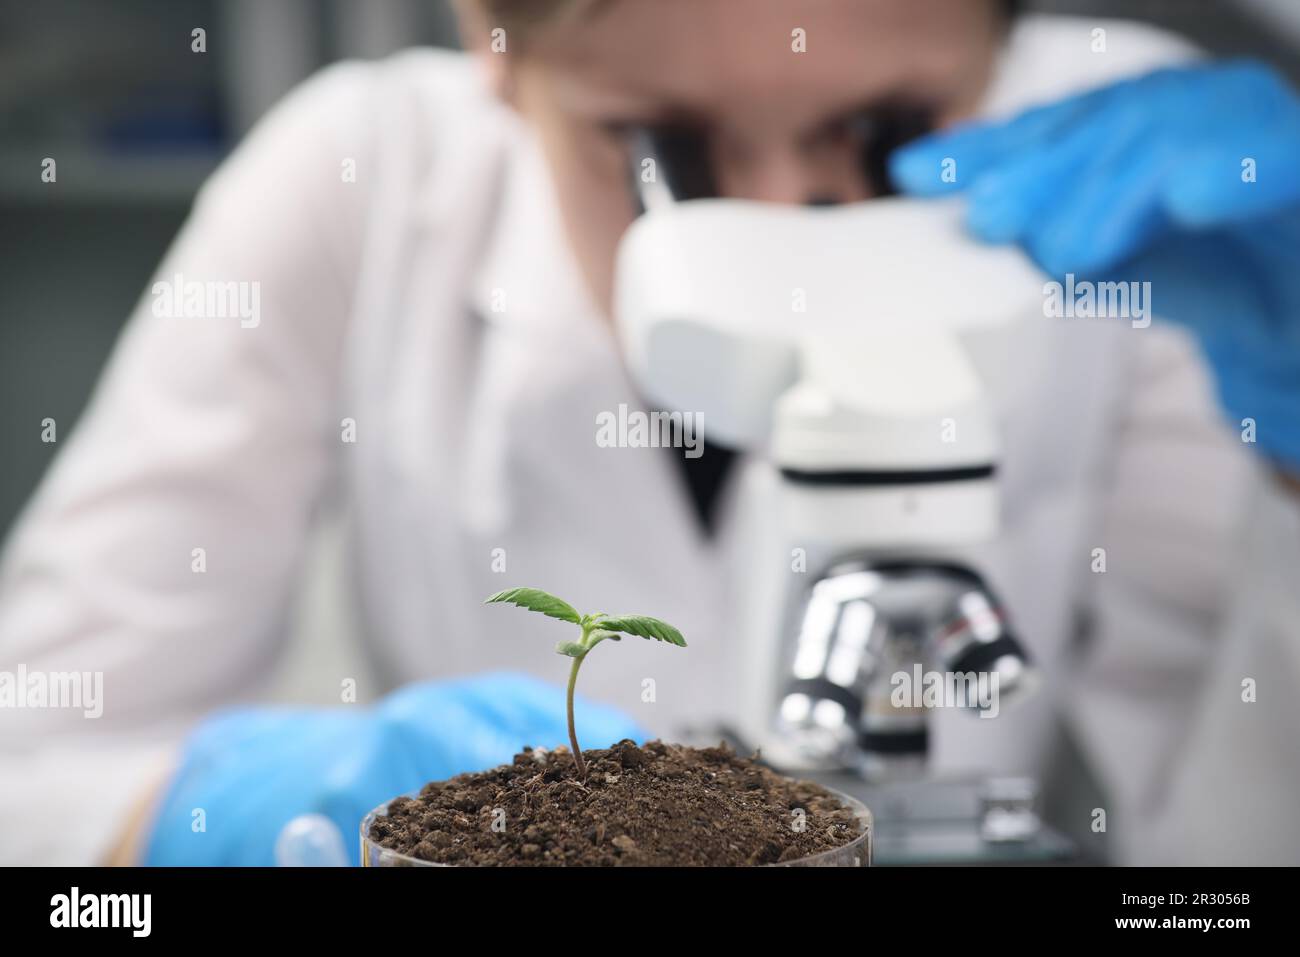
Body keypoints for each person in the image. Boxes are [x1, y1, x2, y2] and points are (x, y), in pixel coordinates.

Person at [1, 0, 1298, 865]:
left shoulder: (1130, 197)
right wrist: (236, 804)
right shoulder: (362, 178)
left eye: (883, 133)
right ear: (492, 40)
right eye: (661, 152)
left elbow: (1228, 854)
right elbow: (26, 771)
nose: (783, 227)